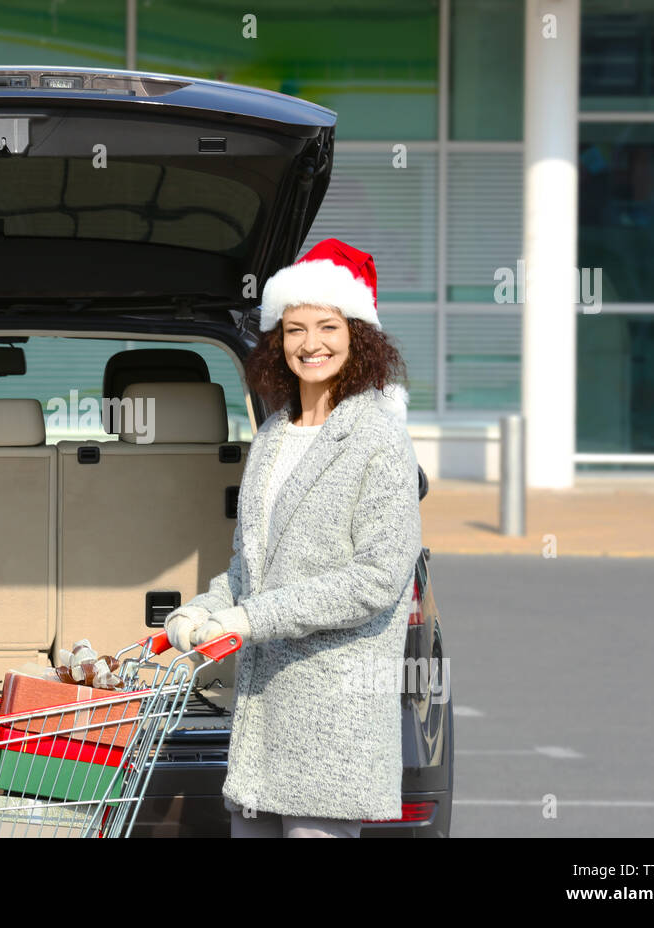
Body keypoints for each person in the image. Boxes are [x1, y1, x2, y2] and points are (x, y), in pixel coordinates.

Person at [165, 238, 422, 838]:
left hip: (334, 712)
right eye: (295, 328)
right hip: (263, 714)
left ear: (358, 334)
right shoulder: (274, 434)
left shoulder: (379, 439)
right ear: (276, 340)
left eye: (328, 326)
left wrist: (249, 620)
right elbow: (247, 566)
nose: (312, 344)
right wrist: (204, 610)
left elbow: (378, 579)